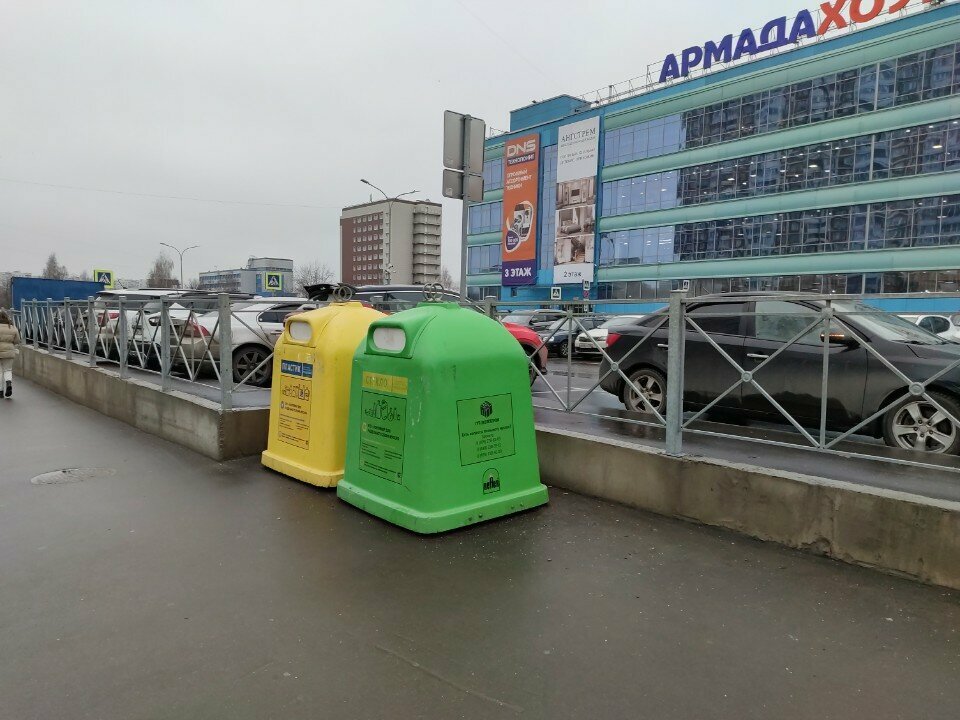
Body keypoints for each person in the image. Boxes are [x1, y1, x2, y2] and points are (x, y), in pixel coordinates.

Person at [0, 309, 22, 398]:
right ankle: (8, 382)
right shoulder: (12, 327)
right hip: (9, 351)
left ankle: (0, 392)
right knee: (7, 370)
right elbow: (17, 340)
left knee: (0, 372)